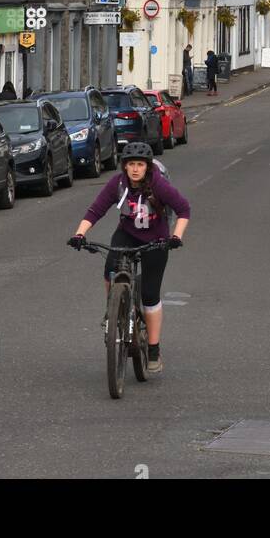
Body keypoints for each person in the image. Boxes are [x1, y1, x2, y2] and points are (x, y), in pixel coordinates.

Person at [68, 141, 190, 373]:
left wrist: (176, 236)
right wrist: (79, 234)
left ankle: (153, 350)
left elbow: (184, 209)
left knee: (149, 295)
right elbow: (96, 210)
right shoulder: (118, 183)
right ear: (124, 166)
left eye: (140, 165)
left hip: (156, 240)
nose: (135, 169)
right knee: (109, 270)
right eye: (131, 164)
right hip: (127, 235)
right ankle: (114, 310)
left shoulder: (158, 185)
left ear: (147, 167)